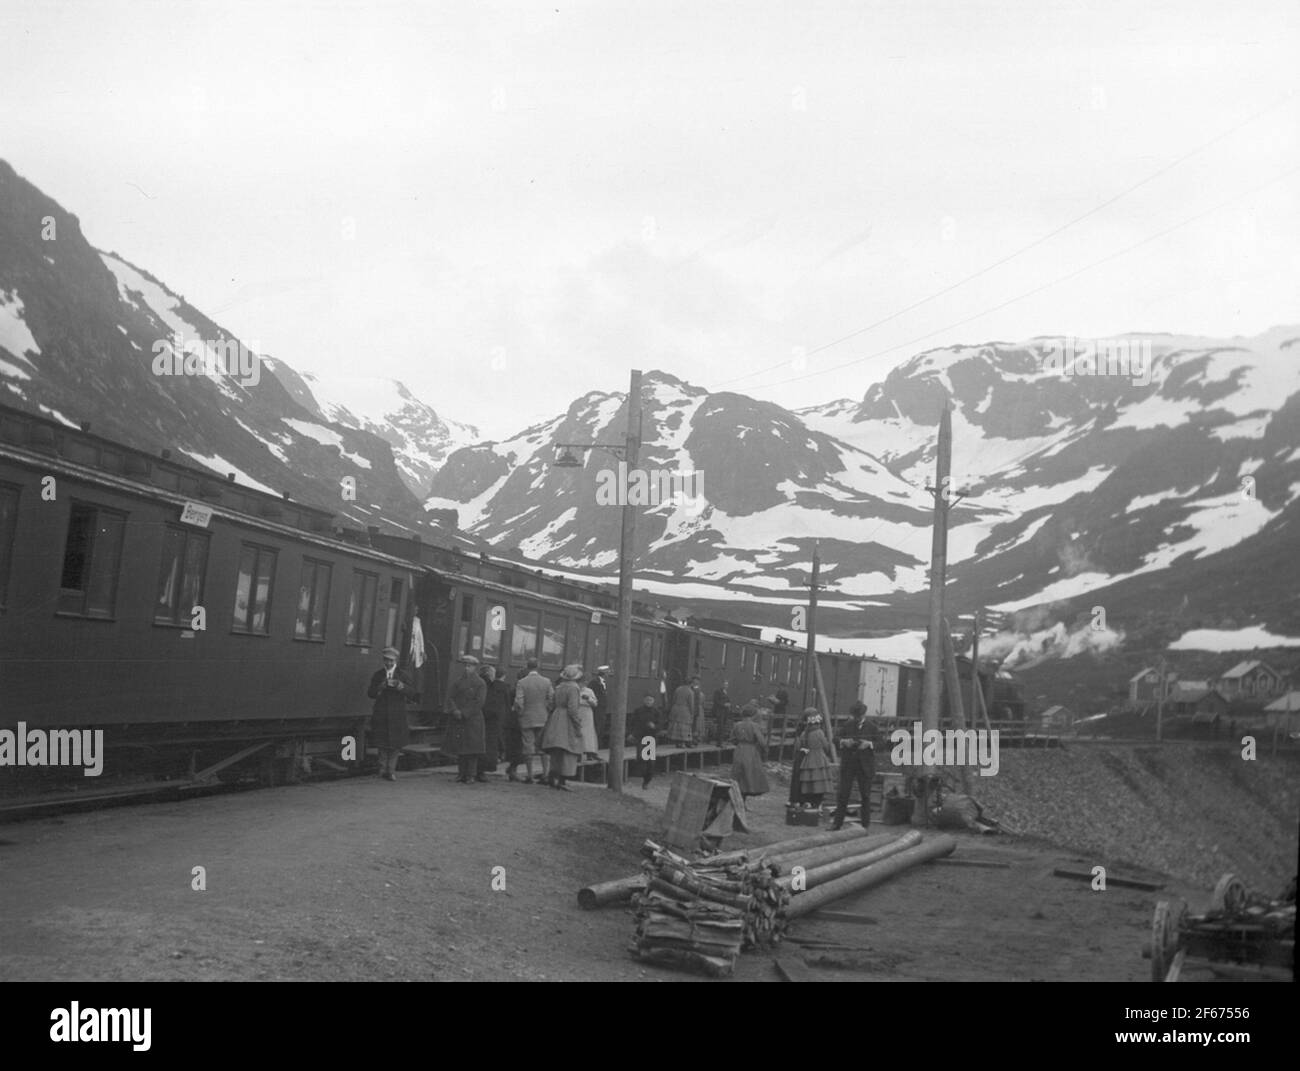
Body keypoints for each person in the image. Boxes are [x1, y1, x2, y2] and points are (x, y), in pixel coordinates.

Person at [367, 647, 413, 781]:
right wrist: (380, 687)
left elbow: (412, 692)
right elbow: (370, 693)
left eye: (391, 661)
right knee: (382, 743)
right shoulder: (378, 675)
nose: (388, 663)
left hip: (397, 714)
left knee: (395, 745)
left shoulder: (403, 675)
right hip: (382, 713)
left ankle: (391, 771)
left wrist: (401, 687)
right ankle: (382, 771)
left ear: (396, 661)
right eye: (386, 660)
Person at [831, 701, 878, 830]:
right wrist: (844, 741)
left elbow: (883, 744)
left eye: (859, 716)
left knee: (866, 796)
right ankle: (837, 823)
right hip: (849, 765)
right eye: (855, 716)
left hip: (865, 766)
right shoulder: (847, 725)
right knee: (843, 794)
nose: (857, 719)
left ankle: (865, 825)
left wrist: (869, 744)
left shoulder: (872, 727)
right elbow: (834, 739)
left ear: (864, 714)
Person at [542, 664, 585, 790]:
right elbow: (572, 709)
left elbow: (552, 704)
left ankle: (552, 776)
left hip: (556, 716)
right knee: (569, 749)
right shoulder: (574, 688)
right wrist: (577, 723)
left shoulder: (559, 687)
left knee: (556, 749)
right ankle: (562, 780)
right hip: (567, 720)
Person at [446, 655, 487, 784]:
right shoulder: (458, 682)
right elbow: (451, 697)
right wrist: (454, 710)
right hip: (459, 718)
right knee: (461, 748)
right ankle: (461, 774)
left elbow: (479, 702)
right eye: (465, 666)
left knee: (472, 749)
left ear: (475, 668)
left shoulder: (480, 683)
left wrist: (463, 712)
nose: (466, 668)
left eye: (469, 666)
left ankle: (471, 775)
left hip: (472, 719)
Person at [514, 657, 554, 784]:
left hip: (527, 718)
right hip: (543, 717)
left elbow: (519, 702)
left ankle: (530, 775)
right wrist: (547, 710)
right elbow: (552, 698)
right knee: (543, 747)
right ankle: (546, 775)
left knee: (528, 747)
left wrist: (520, 714)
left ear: (527, 666)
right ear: (538, 666)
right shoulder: (546, 682)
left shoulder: (522, 682)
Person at [796, 710, 835, 810]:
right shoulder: (819, 732)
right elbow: (826, 746)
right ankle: (817, 804)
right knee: (820, 782)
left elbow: (799, 746)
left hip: (808, 758)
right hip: (819, 758)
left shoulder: (804, 733)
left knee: (809, 781)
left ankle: (808, 802)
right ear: (818, 722)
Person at [479, 664, 512, 779]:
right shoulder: (494, 686)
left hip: (484, 718)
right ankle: (482, 771)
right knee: (488, 745)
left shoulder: (488, 684)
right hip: (491, 720)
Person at [730, 700, 769, 798]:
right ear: (753, 714)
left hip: (739, 749)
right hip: (751, 750)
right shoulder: (755, 726)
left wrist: (739, 742)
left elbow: (732, 739)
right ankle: (747, 794)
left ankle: (739, 798)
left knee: (738, 774)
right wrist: (763, 750)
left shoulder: (737, 725)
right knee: (749, 774)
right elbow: (762, 742)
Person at [626, 694, 660, 790]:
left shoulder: (656, 712)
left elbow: (660, 725)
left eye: (650, 700)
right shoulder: (638, 711)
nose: (649, 702)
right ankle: (641, 775)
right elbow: (631, 723)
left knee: (650, 762)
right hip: (641, 737)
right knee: (641, 758)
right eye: (647, 700)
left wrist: (655, 727)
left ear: (653, 701)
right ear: (644, 700)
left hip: (651, 738)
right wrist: (630, 734)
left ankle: (647, 781)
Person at [668, 675, 702, 746]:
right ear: (691, 683)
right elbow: (691, 704)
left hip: (675, 709)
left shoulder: (678, 689)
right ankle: (683, 743)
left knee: (677, 727)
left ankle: (677, 743)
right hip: (684, 711)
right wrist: (692, 714)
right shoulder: (690, 692)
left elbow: (673, 699)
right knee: (684, 728)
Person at [577, 682, 600, 760]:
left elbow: (595, 703)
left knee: (588, 733)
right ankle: (578, 752)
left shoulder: (589, 691)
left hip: (587, 713)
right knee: (578, 732)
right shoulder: (574, 689)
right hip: (577, 711)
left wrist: (588, 698)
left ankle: (589, 752)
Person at [590, 665, 610, 746]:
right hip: (597, 709)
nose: (608, 674)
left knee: (600, 727)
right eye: (607, 672)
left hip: (601, 709)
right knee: (597, 727)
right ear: (604, 673)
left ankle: (596, 746)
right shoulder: (595, 682)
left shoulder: (603, 682)